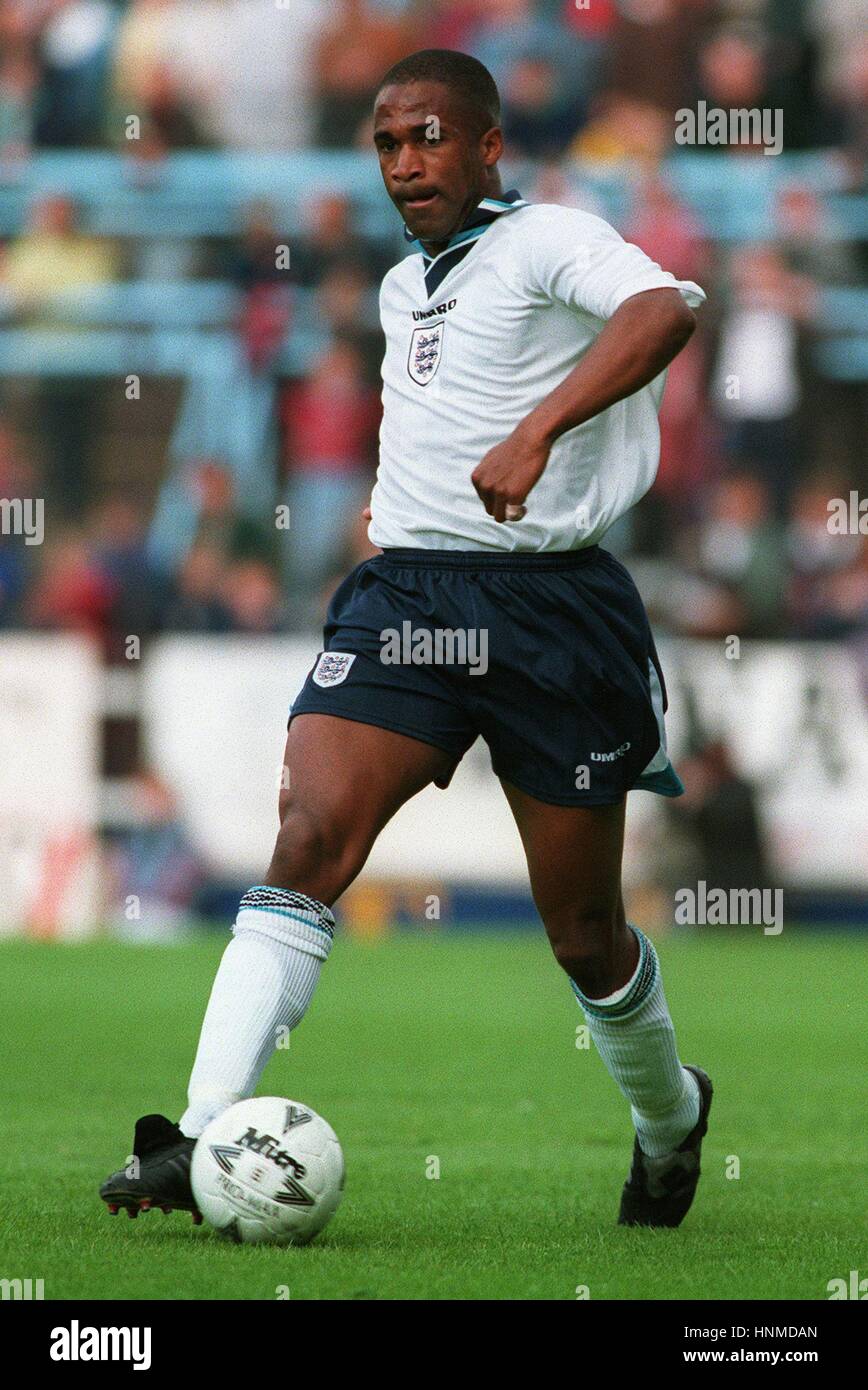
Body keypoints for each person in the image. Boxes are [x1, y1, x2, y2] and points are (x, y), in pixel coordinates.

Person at [100, 49, 712, 1231]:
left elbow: (664, 310)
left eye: (429, 136)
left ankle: (669, 1120)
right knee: (307, 840)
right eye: (386, 142)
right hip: (408, 604)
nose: (405, 162)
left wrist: (536, 432)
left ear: (488, 145)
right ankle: (197, 1132)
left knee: (583, 933)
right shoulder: (399, 286)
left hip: (553, 612)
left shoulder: (547, 239)